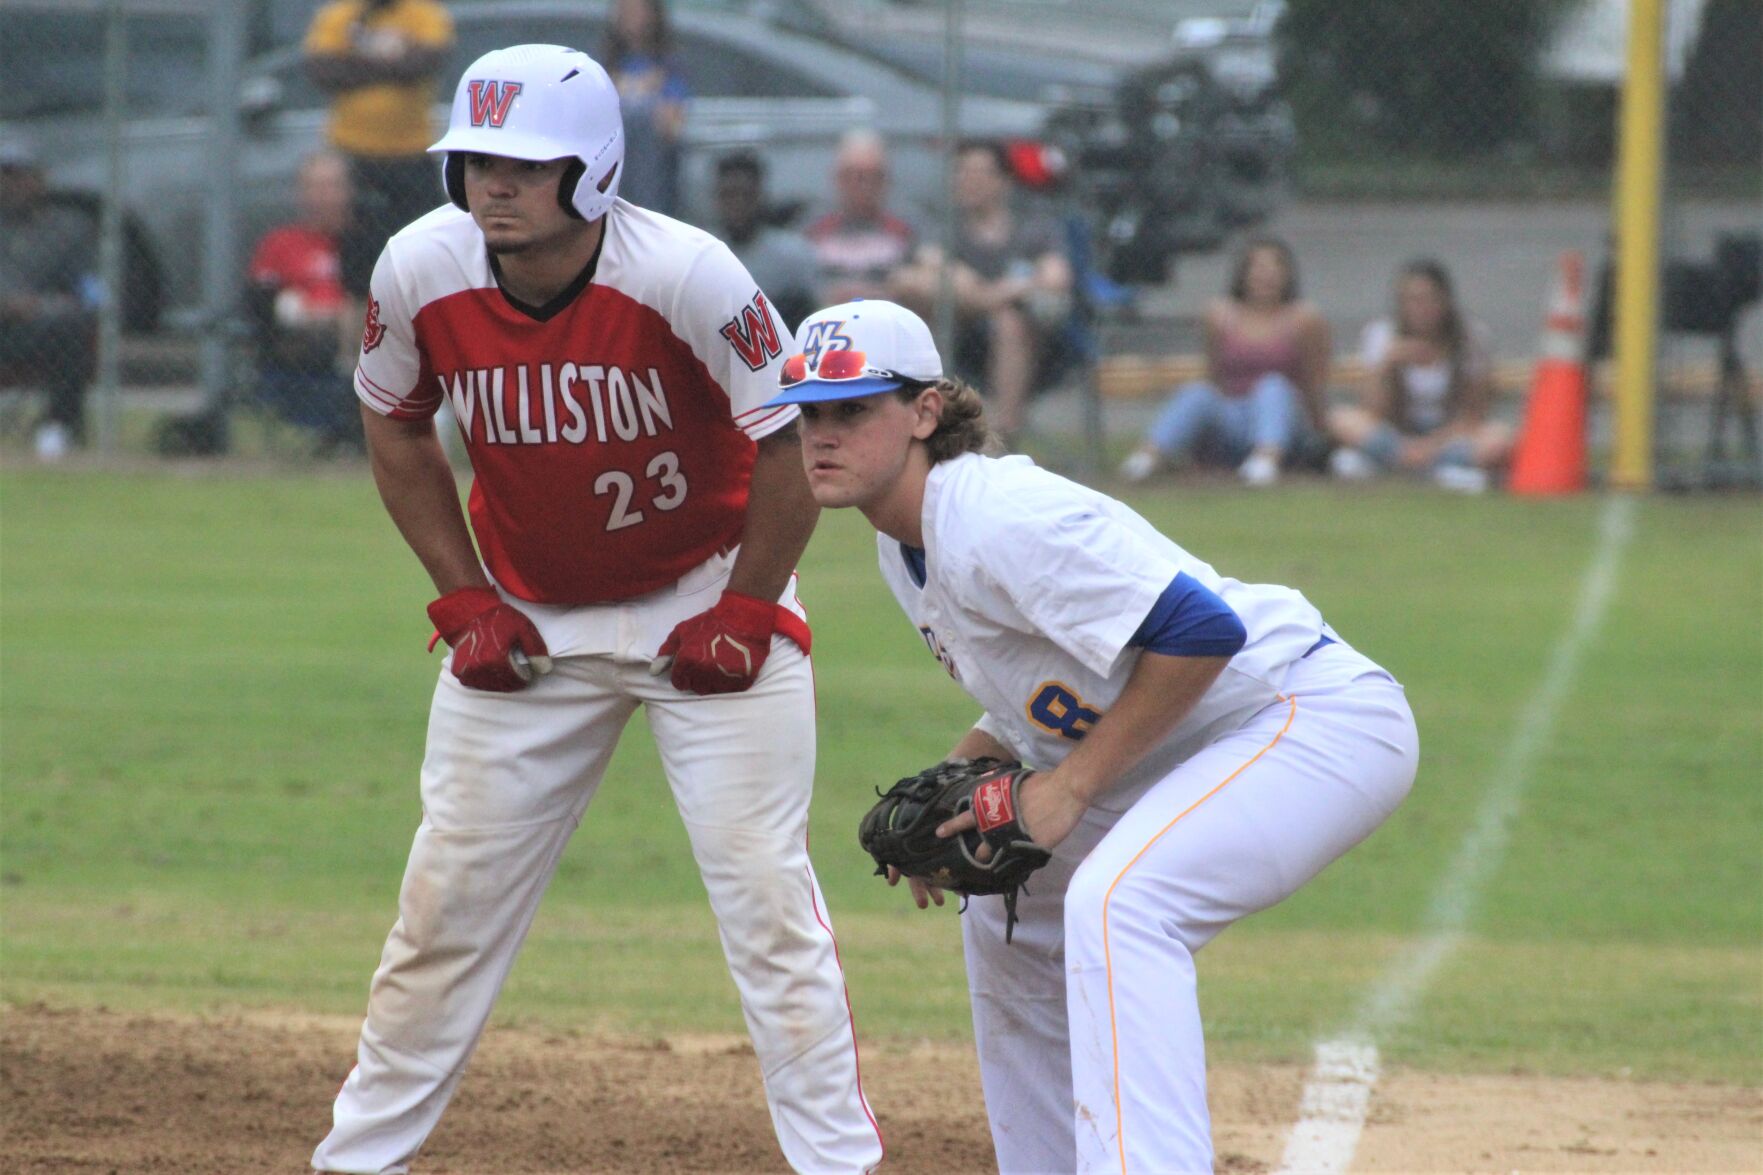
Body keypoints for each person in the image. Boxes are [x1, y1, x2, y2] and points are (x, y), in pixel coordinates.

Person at [311, 45, 881, 1175]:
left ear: (594, 172)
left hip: (708, 605)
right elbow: (393, 416)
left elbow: (786, 440)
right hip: (530, 622)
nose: (492, 186)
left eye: (524, 165)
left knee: (766, 901)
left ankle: (838, 1163)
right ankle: (356, 1160)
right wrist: (461, 591)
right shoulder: (418, 267)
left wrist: (749, 606)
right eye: (473, 162)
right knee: (443, 909)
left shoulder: (688, 271)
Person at [767, 299, 1418, 1174]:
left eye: (853, 409)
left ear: (924, 412)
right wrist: (965, 773)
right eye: (809, 411)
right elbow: (1040, 697)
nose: (823, 434)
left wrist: (1068, 788)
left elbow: (1201, 629)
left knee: (1122, 903)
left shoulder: (997, 517)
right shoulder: (904, 542)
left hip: (1305, 714)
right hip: (1189, 734)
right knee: (1010, 905)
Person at [893, 140, 1072, 441]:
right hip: (953, 329)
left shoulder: (1033, 227)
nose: (969, 180)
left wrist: (981, 292)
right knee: (910, 283)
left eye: (979, 172)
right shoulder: (945, 226)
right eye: (962, 171)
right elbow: (922, 266)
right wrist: (998, 291)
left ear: (1004, 180)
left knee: (1008, 321)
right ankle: (918, 425)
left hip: (1027, 341)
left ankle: (1004, 437)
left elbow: (1056, 277)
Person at [1119, 235, 1331, 487]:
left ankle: (1266, 460)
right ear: (1243, 273)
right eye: (1258, 268)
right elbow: (1214, 375)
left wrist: (1322, 433)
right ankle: (1147, 458)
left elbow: (1313, 383)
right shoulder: (1220, 315)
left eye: (1275, 268)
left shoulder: (1304, 319)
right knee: (1198, 392)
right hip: (1234, 417)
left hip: (1284, 417)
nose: (1266, 276)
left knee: (1273, 386)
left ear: (1288, 274)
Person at [303, 0, 455, 349]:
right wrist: (390, 61)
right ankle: (355, 370)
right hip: (355, 158)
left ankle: (425, 363)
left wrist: (356, 62)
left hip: (411, 156)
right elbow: (322, 69)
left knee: (421, 261)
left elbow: (427, 61)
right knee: (357, 273)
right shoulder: (341, 14)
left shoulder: (422, 12)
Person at [1328, 258, 1514, 493]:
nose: (1419, 308)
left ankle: (1407, 468)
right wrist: (1388, 364)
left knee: (1499, 437)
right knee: (1341, 419)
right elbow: (1371, 410)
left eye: (1427, 299)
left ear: (1445, 301)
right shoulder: (1382, 334)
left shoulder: (1471, 337)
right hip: (1397, 435)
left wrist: (1431, 446)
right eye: (1410, 300)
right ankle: (1441, 473)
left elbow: (1473, 414)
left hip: (1449, 435)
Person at [245, 151, 361, 452]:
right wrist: (313, 312)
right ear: (302, 194)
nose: (324, 197)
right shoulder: (281, 243)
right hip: (302, 344)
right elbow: (262, 306)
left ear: (348, 192)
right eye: (316, 187)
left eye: (333, 186)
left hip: (365, 334)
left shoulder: (365, 243)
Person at [0, 135, 99, 461]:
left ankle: (56, 429)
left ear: (40, 179)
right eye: (4, 174)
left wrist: (42, 307)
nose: (11, 183)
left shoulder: (68, 229)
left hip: (32, 330)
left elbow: (94, 293)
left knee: (74, 326)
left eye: (20, 174)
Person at [805, 130, 918, 307]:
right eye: (854, 176)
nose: (863, 185)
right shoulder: (812, 227)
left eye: (872, 176)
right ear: (837, 178)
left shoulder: (908, 227)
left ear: (886, 180)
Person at [712, 151, 820, 331]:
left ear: (760, 196)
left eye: (746, 194)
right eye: (729, 194)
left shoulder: (794, 257)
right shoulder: (704, 256)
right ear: (717, 198)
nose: (738, 203)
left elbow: (814, 319)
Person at [603, 0, 688, 218]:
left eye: (637, 11)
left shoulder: (669, 65)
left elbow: (672, 124)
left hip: (654, 181)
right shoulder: (607, 63)